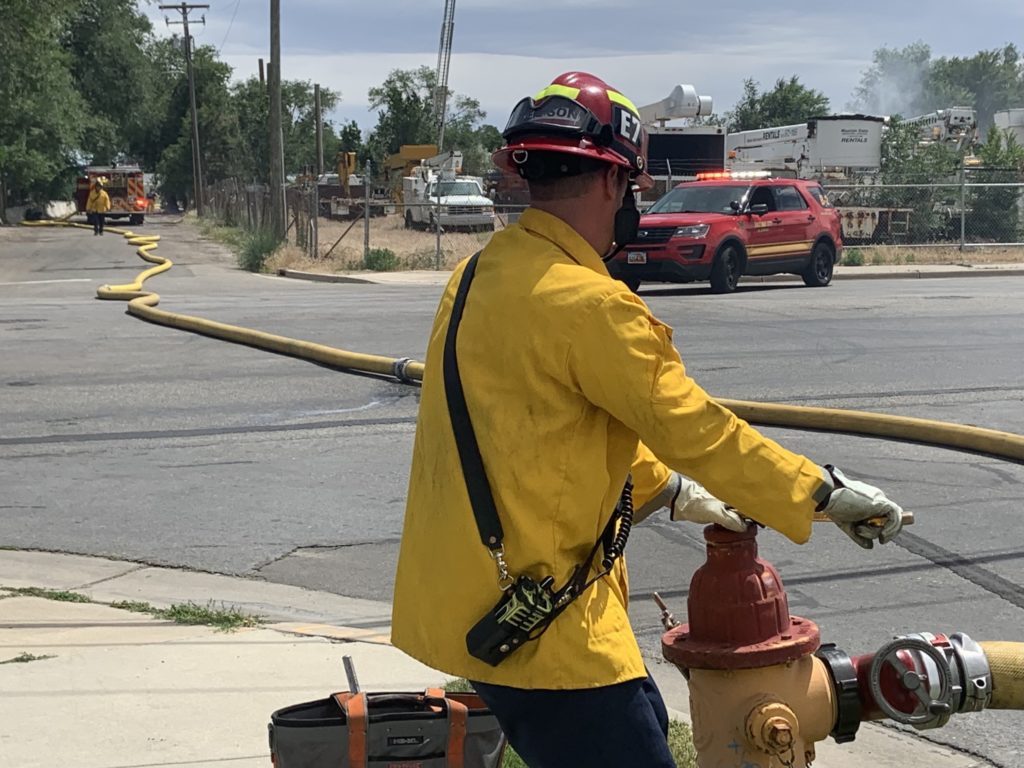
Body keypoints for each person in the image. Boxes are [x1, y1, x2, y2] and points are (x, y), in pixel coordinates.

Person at [391, 72, 904, 768]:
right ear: (612, 183)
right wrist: (820, 492)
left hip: (478, 616)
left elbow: (551, 421)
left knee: (646, 718)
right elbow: (697, 427)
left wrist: (674, 492)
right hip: (551, 638)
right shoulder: (592, 306)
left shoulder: (482, 275)